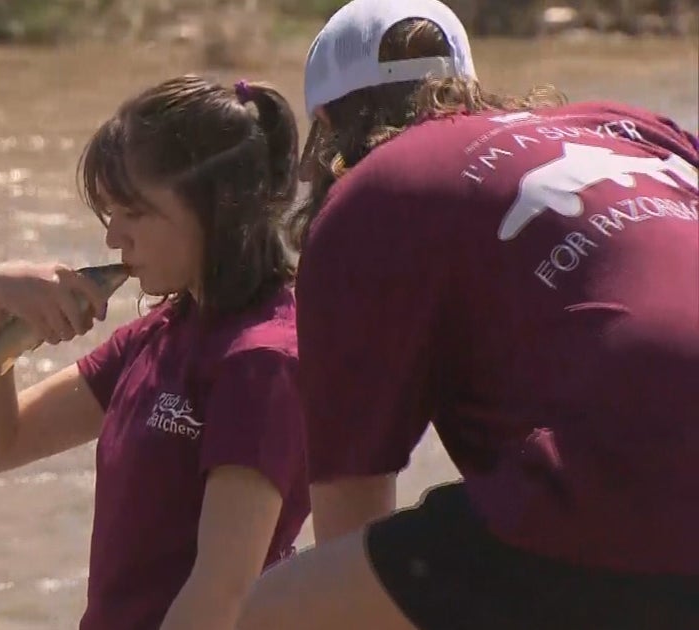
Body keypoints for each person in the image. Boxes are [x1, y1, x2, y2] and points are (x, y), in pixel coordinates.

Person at [234, 0, 699, 628]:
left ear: (325, 125)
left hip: (631, 475)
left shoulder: (368, 195)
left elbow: (351, 519)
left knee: (280, 612)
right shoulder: (633, 127)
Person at [0, 75, 311, 629]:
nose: (113, 238)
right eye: (109, 214)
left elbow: (220, 594)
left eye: (134, 213)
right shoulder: (161, 335)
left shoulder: (261, 362)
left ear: (219, 208)